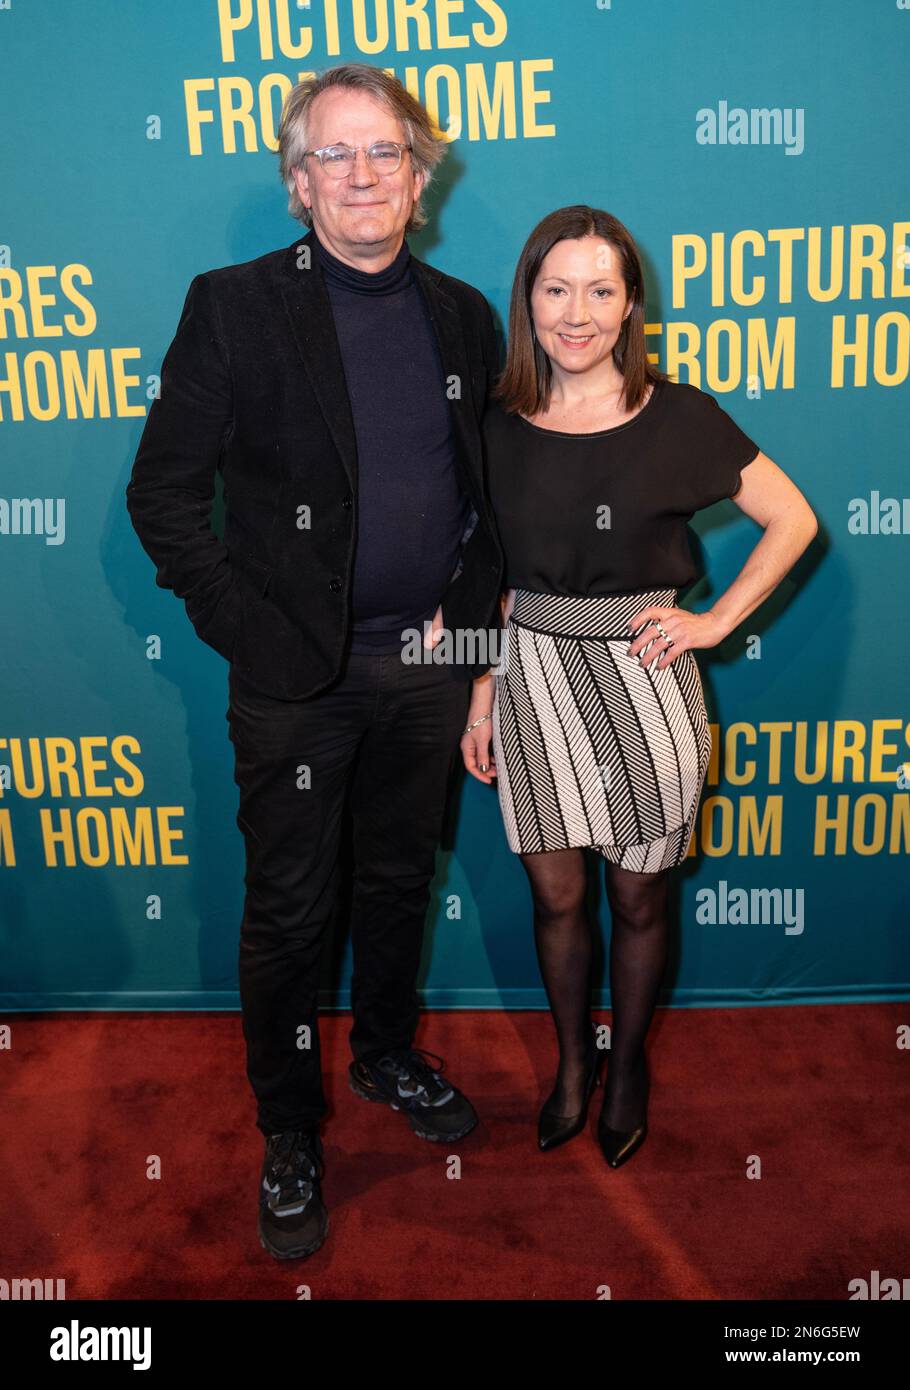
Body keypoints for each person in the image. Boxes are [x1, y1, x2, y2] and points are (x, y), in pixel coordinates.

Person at [125, 63, 503, 1260]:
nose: (360, 175)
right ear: (296, 183)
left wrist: (474, 633)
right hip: (294, 684)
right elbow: (163, 497)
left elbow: (488, 507)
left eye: (382, 151)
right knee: (290, 913)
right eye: (331, 156)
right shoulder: (235, 305)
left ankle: (386, 1052)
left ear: (419, 173)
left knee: (397, 885)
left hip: (427, 674)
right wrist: (250, 625)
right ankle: (290, 1127)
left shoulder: (462, 316)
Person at [462, 205, 817, 1169]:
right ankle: (574, 1065)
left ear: (630, 306)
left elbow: (792, 519)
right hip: (534, 675)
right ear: (528, 298)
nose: (576, 313)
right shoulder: (495, 423)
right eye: (556, 288)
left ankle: (627, 1072)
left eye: (600, 291)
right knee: (555, 896)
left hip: (646, 678)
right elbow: (491, 574)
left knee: (641, 897)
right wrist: (486, 689)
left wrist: (712, 621)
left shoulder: (681, 415)